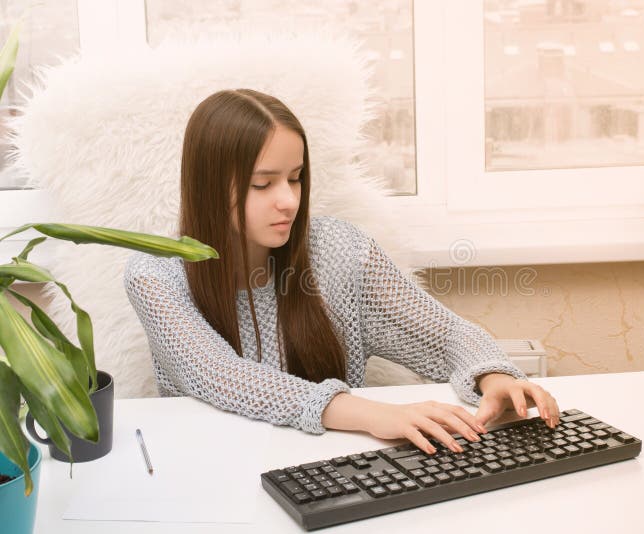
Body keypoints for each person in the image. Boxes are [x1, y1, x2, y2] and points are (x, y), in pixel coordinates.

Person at [124, 89, 559, 456]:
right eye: (263, 184)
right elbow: (221, 376)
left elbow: (444, 334)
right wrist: (375, 414)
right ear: (209, 186)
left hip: (334, 471)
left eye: (295, 179)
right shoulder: (155, 275)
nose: (288, 201)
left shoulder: (341, 250)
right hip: (215, 469)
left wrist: (492, 374)